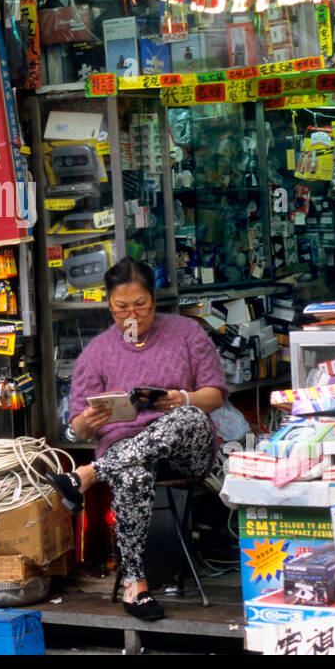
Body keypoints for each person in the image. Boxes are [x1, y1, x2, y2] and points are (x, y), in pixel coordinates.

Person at [46, 259, 227, 620]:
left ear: (154, 301)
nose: (133, 314)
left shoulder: (186, 333)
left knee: (189, 416)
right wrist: (86, 420)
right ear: (109, 306)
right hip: (125, 450)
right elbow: (79, 429)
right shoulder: (96, 352)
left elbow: (216, 394)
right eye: (122, 307)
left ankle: (88, 475)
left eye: (140, 305)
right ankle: (135, 586)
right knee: (132, 471)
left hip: (183, 448)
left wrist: (183, 398)